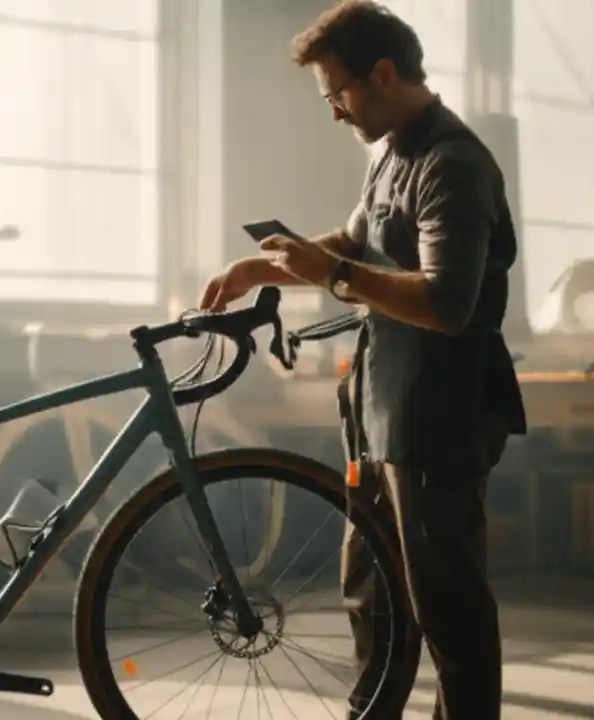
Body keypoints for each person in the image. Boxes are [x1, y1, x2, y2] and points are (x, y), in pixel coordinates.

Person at [199, 2, 527, 718]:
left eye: (337, 94)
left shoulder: (453, 161)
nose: (335, 113)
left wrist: (330, 276)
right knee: (371, 592)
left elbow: (446, 302)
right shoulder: (391, 153)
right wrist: (262, 270)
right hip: (384, 405)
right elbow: (350, 245)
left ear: (382, 74)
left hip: (440, 413)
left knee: (447, 607)